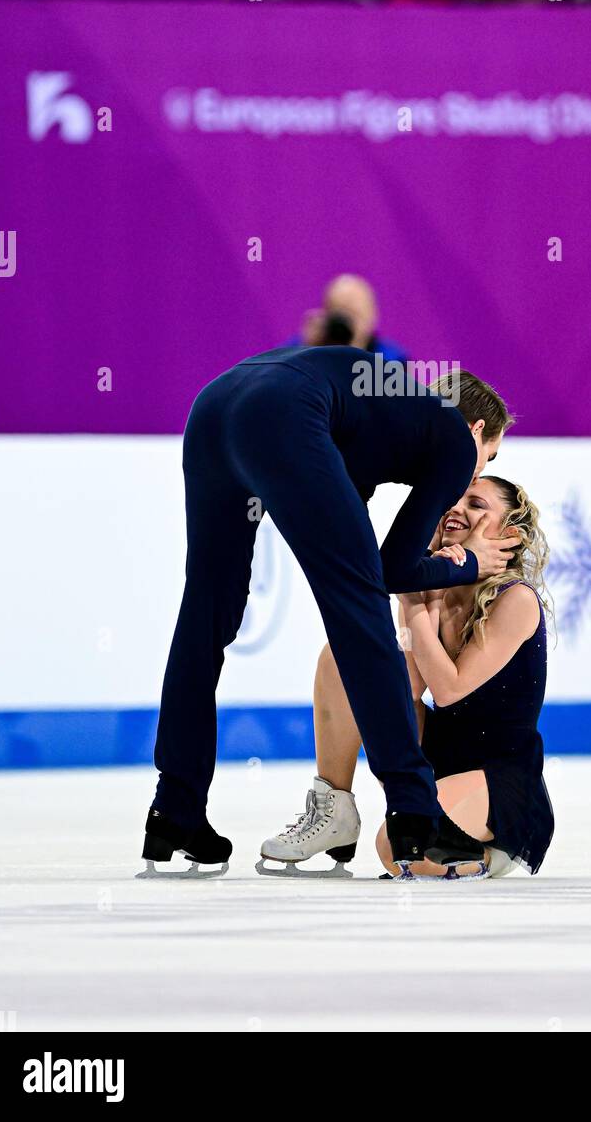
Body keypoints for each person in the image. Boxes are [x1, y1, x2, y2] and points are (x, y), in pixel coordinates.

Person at [144, 354, 517, 876]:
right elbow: (389, 572)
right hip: (282, 408)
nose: (476, 473)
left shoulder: (376, 417)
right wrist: (470, 565)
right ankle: (415, 810)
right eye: (489, 457)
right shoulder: (455, 439)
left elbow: (375, 557)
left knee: (205, 618)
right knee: (360, 618)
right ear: (477, 428)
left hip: (213, 406)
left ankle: (174, 810)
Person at [260, 475, 555, 879]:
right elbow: (410, 689)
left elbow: (449, 690)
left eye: (477, 505)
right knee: (343, 659)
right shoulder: (443, 588)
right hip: (439, 758)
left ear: (509, 533)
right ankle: (335, 806)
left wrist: (411, 593)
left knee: (395, 848)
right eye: (456, 498)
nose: (456, 508)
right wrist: (425, 587)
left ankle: (492, 856)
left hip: (498, 780)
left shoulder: (516, 600)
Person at [297, 274, 408, 361]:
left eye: (354, 313)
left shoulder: (391, 358)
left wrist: (355, 350)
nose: (347, 321)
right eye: (339, 312)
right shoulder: (305, 346)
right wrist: (307, 349)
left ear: (372, 316)